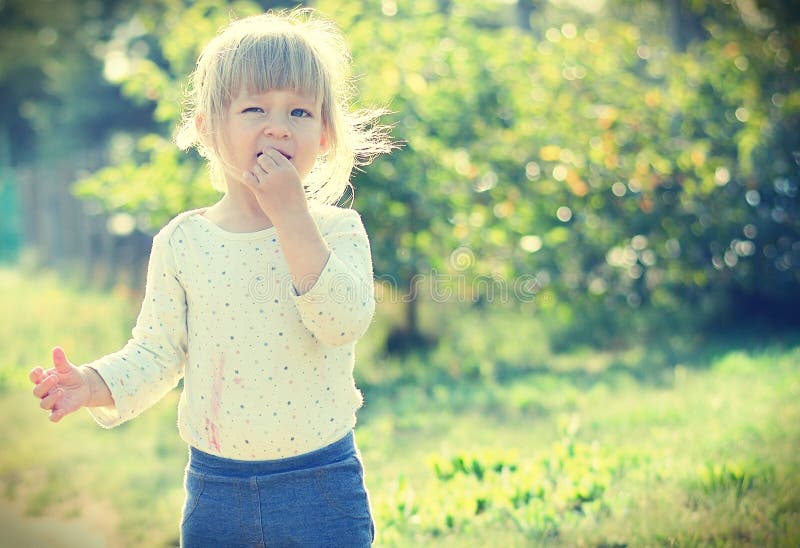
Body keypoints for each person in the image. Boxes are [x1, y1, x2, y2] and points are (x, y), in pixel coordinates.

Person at [29, 8, 393, 547]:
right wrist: (93, 384)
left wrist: (292, 216)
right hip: (216, 490)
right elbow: (156, 353)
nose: (277, 126)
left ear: (324, 135)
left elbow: (342, 323)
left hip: (320, 484)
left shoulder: (337, 230)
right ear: (207, 128)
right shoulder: (184, 243)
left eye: (299, 110)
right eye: (254, 108)